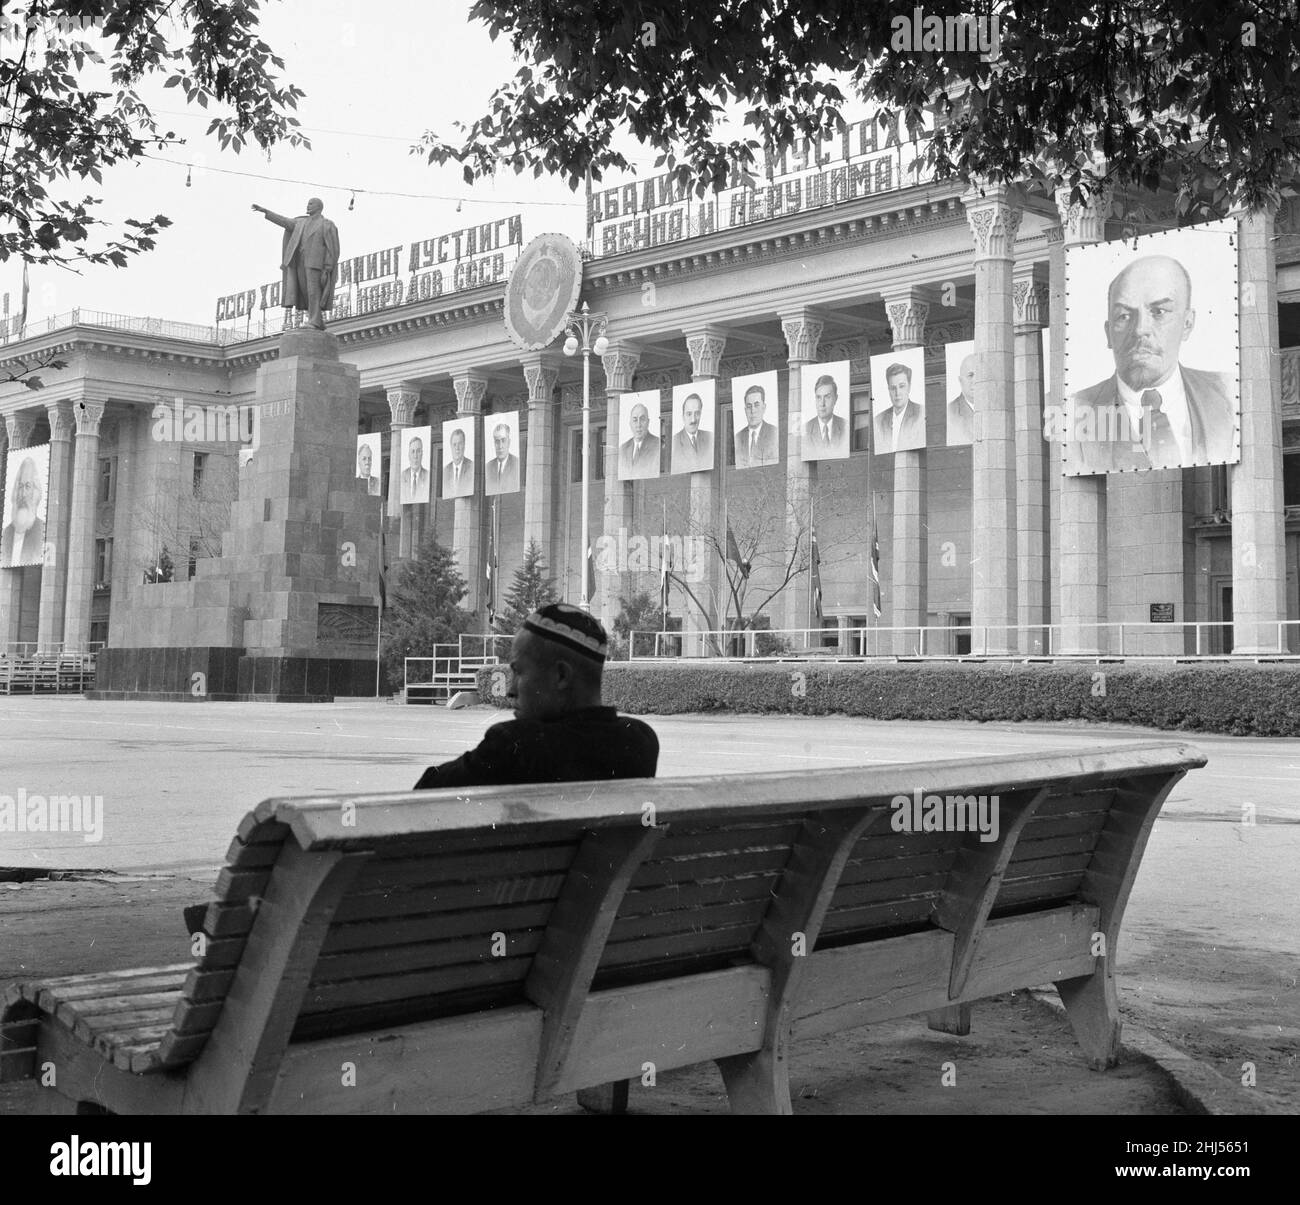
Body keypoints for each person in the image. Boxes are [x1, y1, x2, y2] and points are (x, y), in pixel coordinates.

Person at [413, 604, 659, 787]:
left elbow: (426, 791)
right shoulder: (641, 741)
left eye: (519, 672)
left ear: (561, 676)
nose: (510, 690)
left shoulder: (514, 745)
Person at [1066, 254, 1235, 473]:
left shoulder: (1229, 394)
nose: (1140, 330)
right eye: (1124, 316)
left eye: (1159, 312)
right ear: (1108, 333)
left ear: (1187, 323)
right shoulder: (1074, 411)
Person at [251, 197, 339, 331]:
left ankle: (314, 320)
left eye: (311, 204)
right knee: (305, 292)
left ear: (319, 207)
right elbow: (284, 221)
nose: (308, 206)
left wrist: (328, 266)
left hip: (316, 264)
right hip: (300, 262)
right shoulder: (300, 223)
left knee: (313, 291)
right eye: (308, 204)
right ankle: (317, 320)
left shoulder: (327, 224)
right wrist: (266, 212)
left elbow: (333, 248)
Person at [1, 454, 44, 566]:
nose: (23, 494)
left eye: (28, 486)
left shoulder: (42, 529)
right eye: (20, 487)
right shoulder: (7, 532)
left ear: (36, 491)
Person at [874, 363, 926, 453]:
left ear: (909, 387)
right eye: (893, 388)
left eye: (902, 386)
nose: (897, 393)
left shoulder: (921, 413)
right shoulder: (879, 420)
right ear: (888, 390)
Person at [803, 374, 850, 457]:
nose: (822, 403)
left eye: (827, 397)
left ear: (835, 399)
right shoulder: (806, 429)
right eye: (818, 397)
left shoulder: (845, 426)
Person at [734, 383, 779, 467]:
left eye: (756, 405)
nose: (752, 410)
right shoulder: (738, 437)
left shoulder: (774, 433)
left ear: (764, 407)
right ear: (745, 410)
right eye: (749, 406)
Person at [672, 392, 714, 473]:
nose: (693, 420)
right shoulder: (675, 441)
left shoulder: (709, 436)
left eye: (697, 413)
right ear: (683, 416)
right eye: (689, 414)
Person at [618, 401, 660, 479]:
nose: (638, 425)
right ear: (630, 423)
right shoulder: (623, 449)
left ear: (648, 422)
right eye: (635, 420)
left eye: (642, 419)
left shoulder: (658, 444)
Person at [947, 353, 976, 446]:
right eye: (970, 375)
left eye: (980, 374)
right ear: (960, 380)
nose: (976, 380)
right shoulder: (951, 411)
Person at [485, 422, 520, 494]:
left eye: (503, 441)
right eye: (497, 441)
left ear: (509, 442)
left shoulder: (516, 463)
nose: (500, 446)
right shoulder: (488, 466)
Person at [443, 428, 474, 498]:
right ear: (450, 446)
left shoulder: (471, 466)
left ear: (464, 445)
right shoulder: (446, 470)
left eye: (460, 444)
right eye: (454, 444)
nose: (457, 448)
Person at [401, 435, 431, 503]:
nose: (415, 456)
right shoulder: (402, 475)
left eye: (418, 451)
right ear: (408, 455)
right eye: (413, 451)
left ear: (422, 454)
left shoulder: (427, 475)